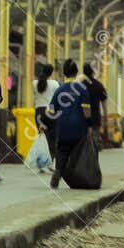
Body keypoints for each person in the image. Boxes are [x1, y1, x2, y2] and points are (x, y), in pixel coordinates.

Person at [45, 58, 90, 188]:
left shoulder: (59, 90)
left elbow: (51, 111)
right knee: (78, 153)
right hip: (79, 127)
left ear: (64, 73)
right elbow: (87, 111)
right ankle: (77, 178)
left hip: (63, 127)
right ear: (76, 73)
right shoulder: (82, 89)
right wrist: (88, 123)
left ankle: (57, 173)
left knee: (62, 152)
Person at [34, 62, 60, 165]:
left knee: (42, 137)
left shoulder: (34, 83)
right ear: (51, 73)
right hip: (51, 111)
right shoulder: (55, 84)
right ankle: (52, 161)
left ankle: (42, 162)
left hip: (39, 112)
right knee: (52, 138)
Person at [82, 61, 108, 147]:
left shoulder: (80, 85)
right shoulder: (99, 85)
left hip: (83, 116)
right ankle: (94, 155)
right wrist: (105, 118)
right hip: (96, 116)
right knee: (95, 138)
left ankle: (86, 156)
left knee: (85, 139)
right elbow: (104, 103)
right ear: (93, 72)